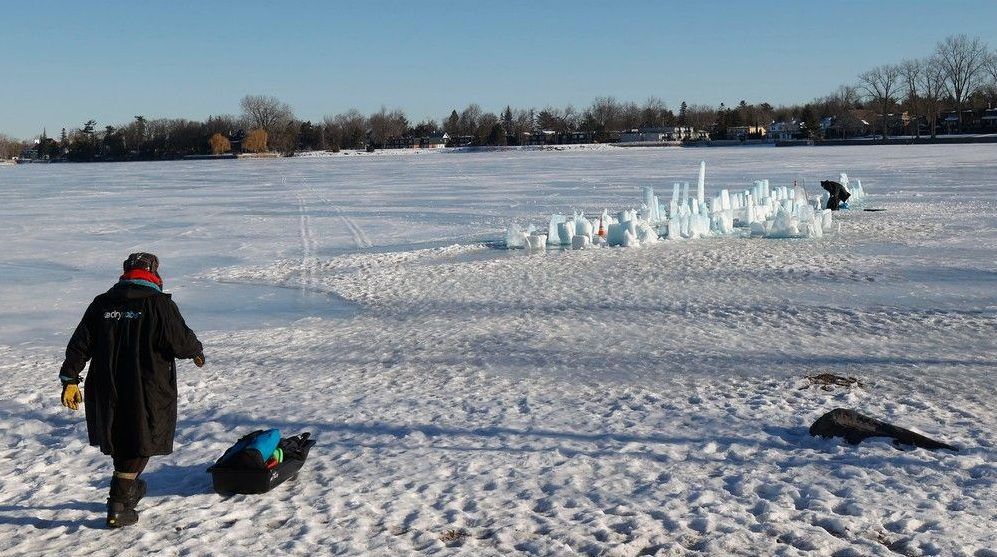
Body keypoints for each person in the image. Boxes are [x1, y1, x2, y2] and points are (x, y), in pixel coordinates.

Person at [59, 252, 205, 528]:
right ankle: (119, 502)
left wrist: (69, 378)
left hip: (106, 386)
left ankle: (128, 492)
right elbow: (181, 342)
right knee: (140, 439)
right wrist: (197, 351)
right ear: (154, 273)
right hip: (147, 387)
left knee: (122, 436)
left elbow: (80, 344)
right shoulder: (159, 304)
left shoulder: (102, 303)